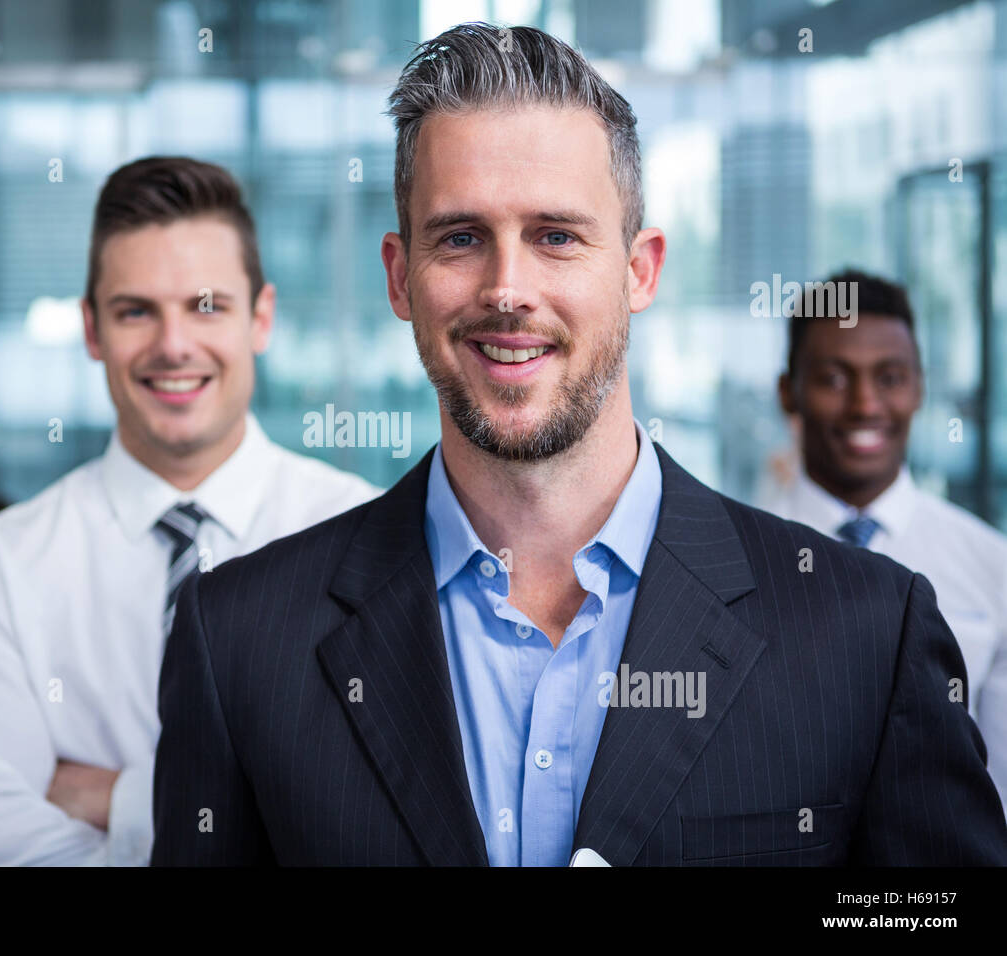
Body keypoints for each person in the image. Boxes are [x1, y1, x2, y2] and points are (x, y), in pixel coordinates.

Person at [150, 23, 1007, 866]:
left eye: (556, 236)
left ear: (640, 270)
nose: (507, 290)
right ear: (400, 276)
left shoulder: (865, 631)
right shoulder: (240, 640)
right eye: (461, 237)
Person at [0, 155, 379, 865]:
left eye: (206, 306)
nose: (173, 346)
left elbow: (374, 829)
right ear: (92, 329)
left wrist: (124, 801)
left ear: (260, 318)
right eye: (136, 312)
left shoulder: (365, 536)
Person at [765, 267, 1007, 808]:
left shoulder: (994, 568)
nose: (866, 405)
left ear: (919, 387)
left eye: (890, 378)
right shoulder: (733, 559)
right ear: (788, 392)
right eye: (834, 379)